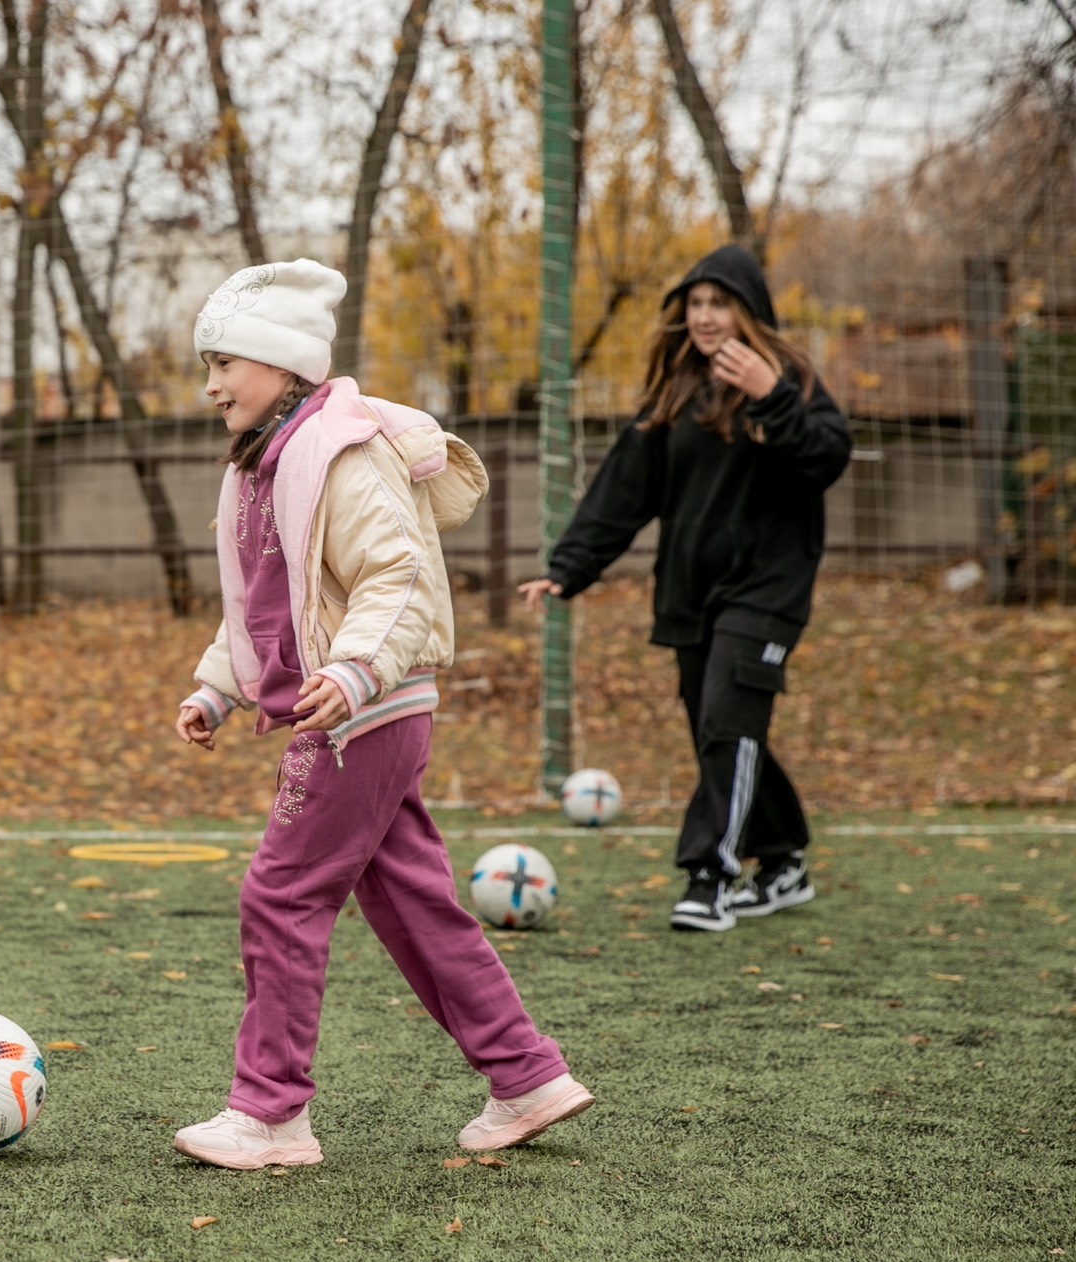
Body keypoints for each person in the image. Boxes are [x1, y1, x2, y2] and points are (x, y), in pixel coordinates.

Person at [170, 259, 593, 1171]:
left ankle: (271, 1113)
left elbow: (397, 575)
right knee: (410, 900)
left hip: (362, 717)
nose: (210, 386)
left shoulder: (342, 452)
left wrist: (357, 672)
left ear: (282, 364)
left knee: (280, 894)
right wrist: (218, 686)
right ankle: (525, 1074)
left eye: (224, 362)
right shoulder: (265, 459)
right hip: (367, 710)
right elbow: (265, 600)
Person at [520, 244, 852, 933]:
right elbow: (622, 490)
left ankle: (711, 877)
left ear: (749, 309)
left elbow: (826, 457)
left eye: (719, 302)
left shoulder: (791, 380)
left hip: (766, 591)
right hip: (690, 592)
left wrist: (772, 394)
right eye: (695, 304)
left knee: (728, 723)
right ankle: (783, 861)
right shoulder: (675, 390)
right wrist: (570, 564)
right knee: (719, 731)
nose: (705, 316)